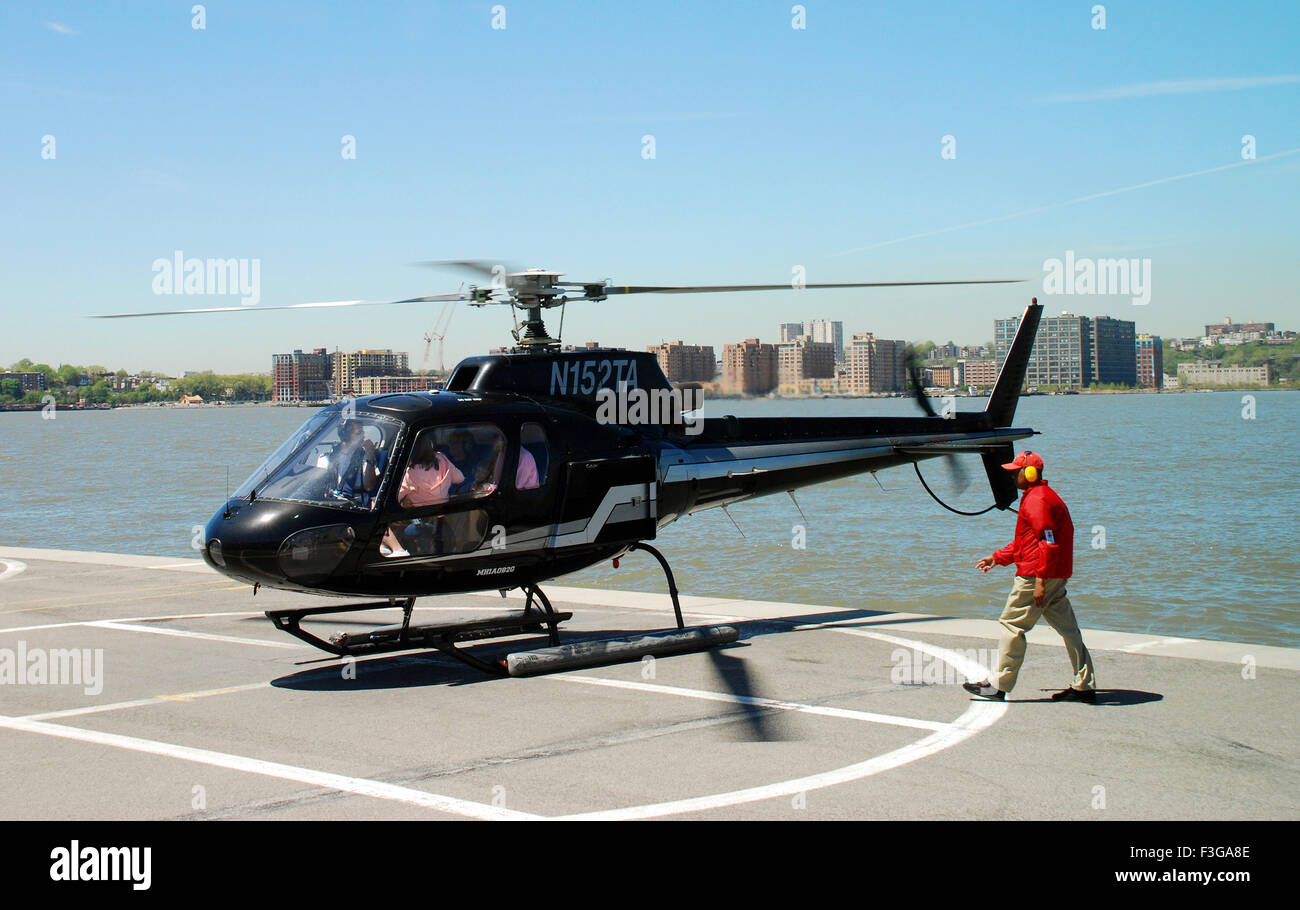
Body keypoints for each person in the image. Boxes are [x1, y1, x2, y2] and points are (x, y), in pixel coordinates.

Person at [962, 450, 1097, 703]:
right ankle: (1085, 685)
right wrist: (998, 557)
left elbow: (1048, 542)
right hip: (1054, 573)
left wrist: (1039, 582)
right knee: (1069, 630)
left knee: (1012, 625)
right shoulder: (1043, 496)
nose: (1013, 476)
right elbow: (1027, 542)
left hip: (1036, 574)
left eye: (1016, 472)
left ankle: (998, 686)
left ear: (1030, 473)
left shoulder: (1036, 500)